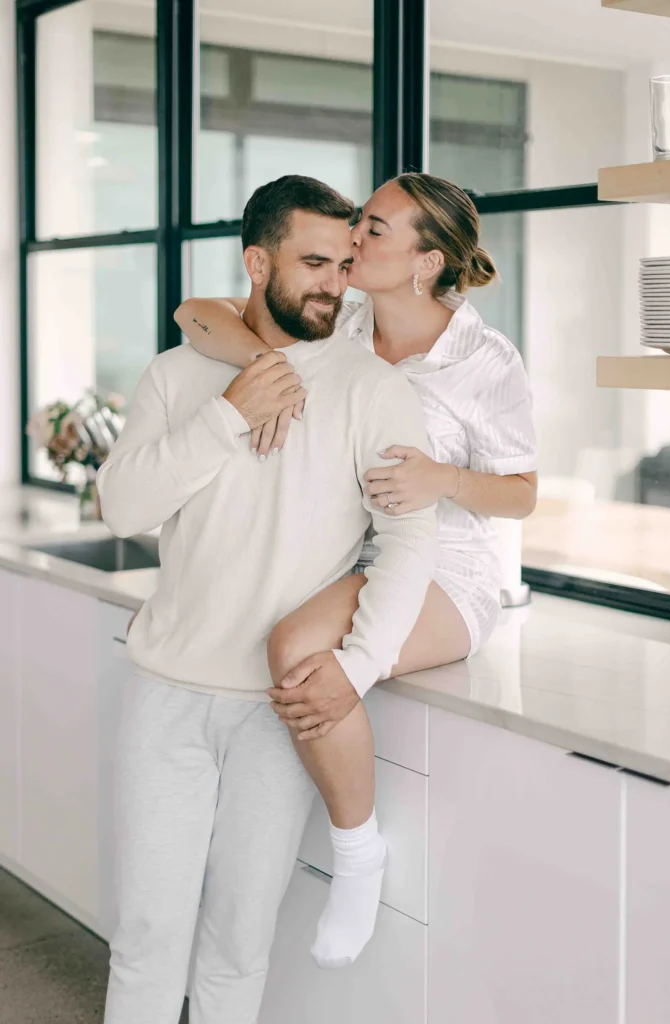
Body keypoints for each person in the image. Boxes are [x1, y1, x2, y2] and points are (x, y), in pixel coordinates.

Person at [97, 174, 438, 1024]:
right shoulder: (181, 376)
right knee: (145, 934)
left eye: (344, 262)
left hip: (274, 714)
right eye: (313, 261)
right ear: (257, 262)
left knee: (238, 940)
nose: (335, 281)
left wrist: (357, 668)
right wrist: (228, 413)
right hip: (167, 692)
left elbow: (407, 542)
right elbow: (123, 506)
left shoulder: (371, 389)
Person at [175, 171, 539, 966]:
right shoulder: (337, 328)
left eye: (374, 226)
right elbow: (193, 314)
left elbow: (521, 495)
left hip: (450, 573)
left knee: (303, 657)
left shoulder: (485, 358)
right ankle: (347, 845)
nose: (353, 235)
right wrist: (272, 377)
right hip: (353, 558)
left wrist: (442, 480)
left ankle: (355, 856)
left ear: (425, 260)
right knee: (285, 647)